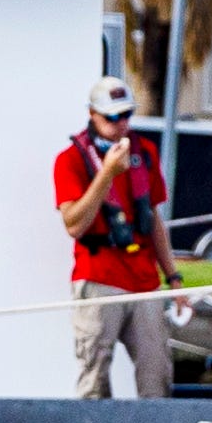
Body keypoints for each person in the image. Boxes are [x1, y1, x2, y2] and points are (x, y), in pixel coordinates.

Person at [55, 77, 171, 398]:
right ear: (93, 114)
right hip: (98, 279)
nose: (121, 125)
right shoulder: (70, 160)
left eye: (127, 115)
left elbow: (155, 220)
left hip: (144, 281)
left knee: (157, 373)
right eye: (112, 117)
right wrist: (107, 173)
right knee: (94, 377)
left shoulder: (144, 152)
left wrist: (173, 277)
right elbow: (74, 225)